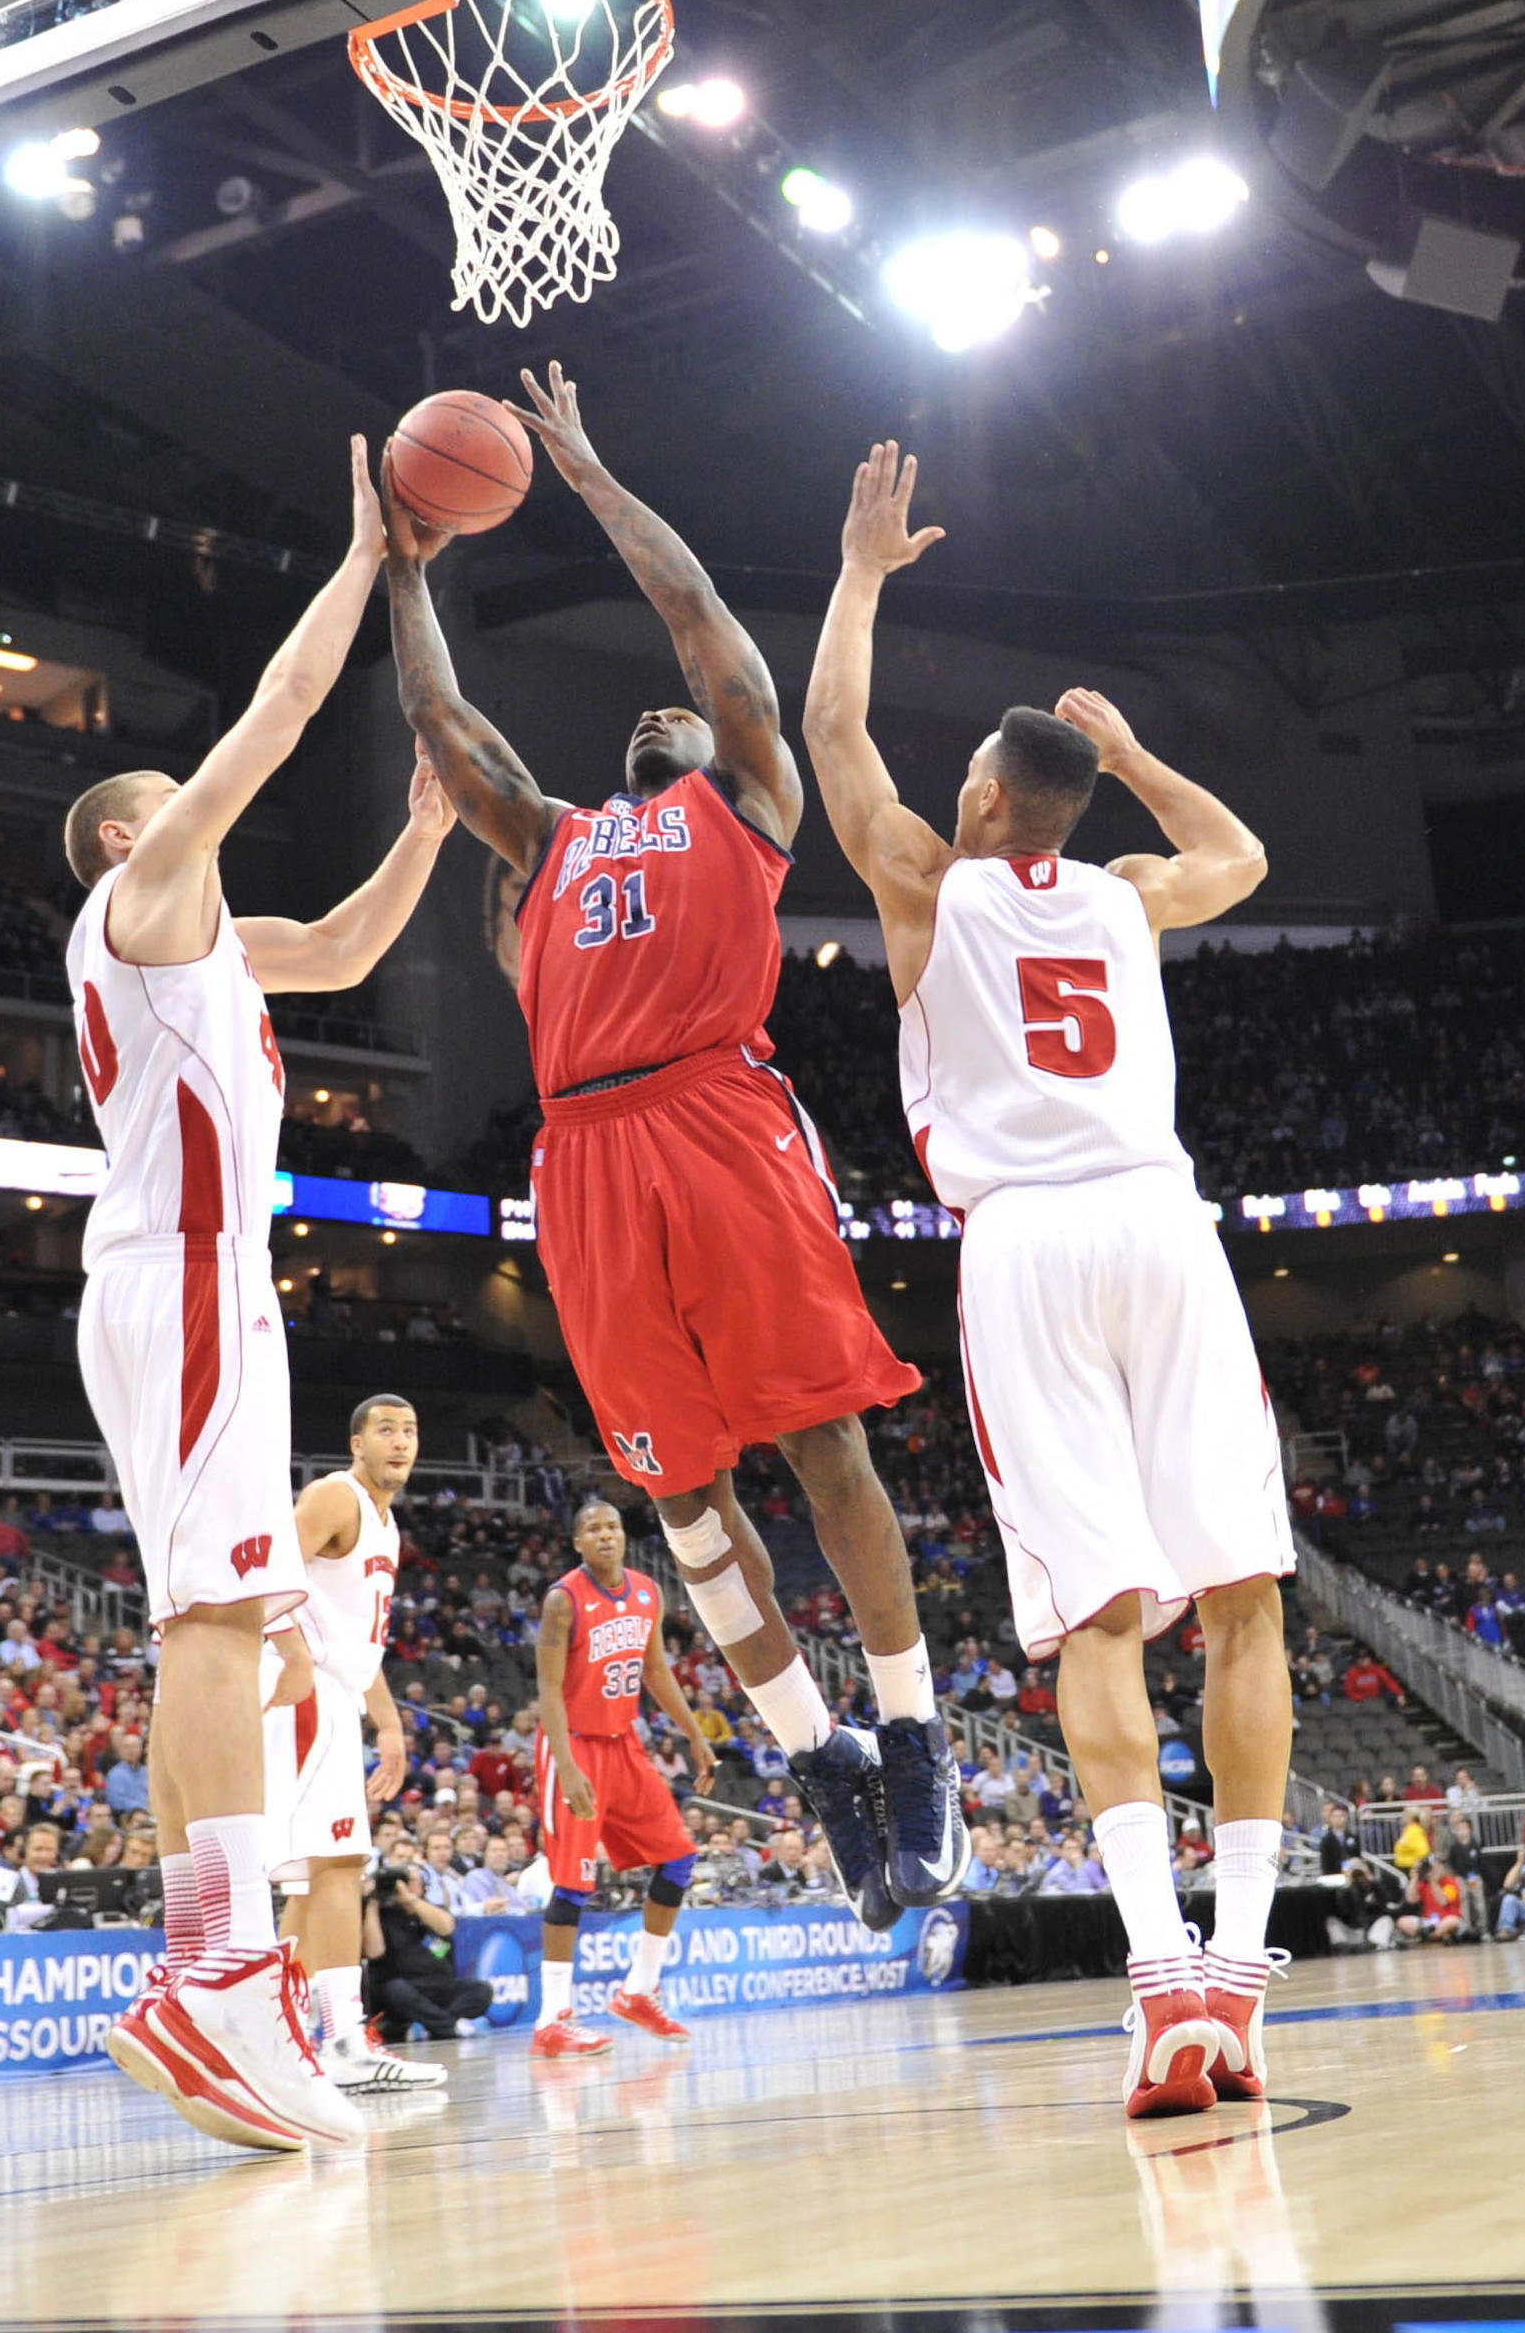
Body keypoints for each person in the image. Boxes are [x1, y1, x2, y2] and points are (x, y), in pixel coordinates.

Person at [377, 366, 942, 1916]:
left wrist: (586, 475)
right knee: (681, 1501)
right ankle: (816, 1752)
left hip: (714, 1117)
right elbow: (437, 717)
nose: (652, 707)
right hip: (584, 1156)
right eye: (641, 713)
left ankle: (911, 1734)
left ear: (715, 741)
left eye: (672, 710)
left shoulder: (748, 800)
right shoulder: (550, 837)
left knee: (823, 1441)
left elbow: (692, 611)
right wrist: (405, 567)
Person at [799, 443, 1288, 2118]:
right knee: (1239, 1595)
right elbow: (1243, 855)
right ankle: (1238, 1975)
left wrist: (859, 574)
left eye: (966, 776)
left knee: (1095, 1616)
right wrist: (1137, 757)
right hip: (1160, 1223)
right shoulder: (1129, 891)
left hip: (1023, 1242)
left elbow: (831, 736)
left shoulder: (925, 883)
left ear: (993, 802)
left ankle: (1159, 1984)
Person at [68, 444, 449, 2160]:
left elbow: (350, 947)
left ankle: (199, 1971)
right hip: (189, 1272)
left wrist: (427, 826)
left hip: (185, 1279)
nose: (199, 810)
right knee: (222, 1624)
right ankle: (224, 1977)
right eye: (177, 798)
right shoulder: (144, 894)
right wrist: (369, 556)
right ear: (130, 833)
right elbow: (283, 711)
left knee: (200, 1631)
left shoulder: (212, 943)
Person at [265, 1396, 443, 2094]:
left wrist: (389, 1723)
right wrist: (292, 1656)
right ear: (356, 1443)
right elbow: (263, 1573)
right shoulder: (336, 1496)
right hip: (303, 1687)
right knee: (339, 1863)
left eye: (410, 1430)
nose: (400, 1441)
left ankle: (282, 2035)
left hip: (335, 1691)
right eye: (386, 1430)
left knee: (314, 1879)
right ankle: (340, 2040)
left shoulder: (385, 1524)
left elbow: (358, 1644)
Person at [525, 1498, 717, 2056]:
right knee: (573, 1883)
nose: (605, 1534)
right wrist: (566, 1766)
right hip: (574, 1746)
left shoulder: (647, 1592)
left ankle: (638, 1991)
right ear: (577, 1542)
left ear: (624, 1535)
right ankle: (551, 2019)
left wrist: (694, 1734)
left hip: (624, 1745)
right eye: (593, 1529)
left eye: (612, 1526)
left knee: (679, 1857)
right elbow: (547, 1691)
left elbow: (655, 1669)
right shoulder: (562, 1600)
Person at [363, 1850, 491, 2042]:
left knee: (481, 1990)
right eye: (404, 1881)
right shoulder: (382, 1915)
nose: (407, 1885)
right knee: (396, 1990)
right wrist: (372, 1903)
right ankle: (449, 2027)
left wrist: (410, 1899)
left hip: (438, 1986)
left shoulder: (433, 1909)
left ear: (424, 1885)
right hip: (400, 1987)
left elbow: (446, 1927)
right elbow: (374, 1952)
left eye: (413, 1880)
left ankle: (433, 2024)